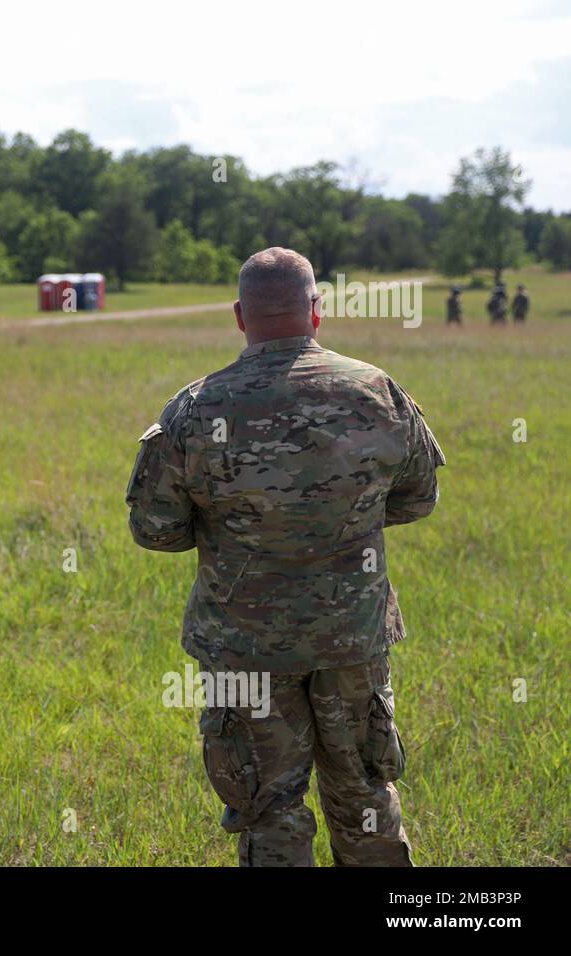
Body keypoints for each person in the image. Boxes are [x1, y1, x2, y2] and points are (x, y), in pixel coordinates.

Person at [126, 247, 445, 867]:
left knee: (267, 806)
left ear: (241, 316)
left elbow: (156, 530)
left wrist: (237, 526)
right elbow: (418, 499)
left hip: (246, 646)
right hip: (351, 638)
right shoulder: (376, 392)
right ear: (315, 312)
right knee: (365, 795)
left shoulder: (195, 409)